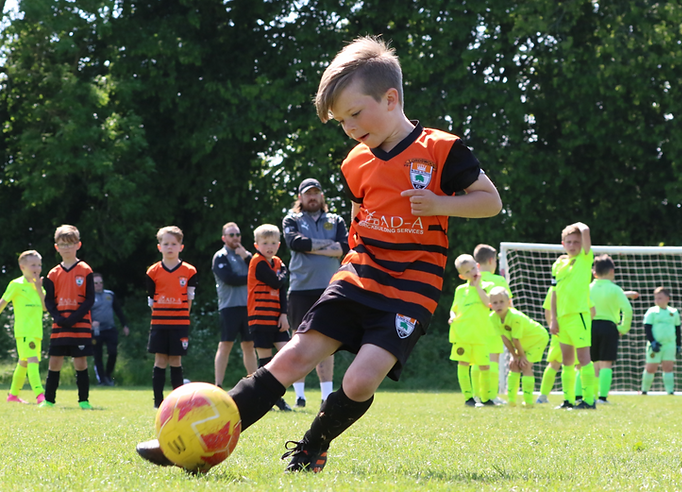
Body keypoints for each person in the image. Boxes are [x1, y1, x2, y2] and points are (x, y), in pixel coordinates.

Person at [137, 36, 502, 473]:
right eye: (340, 121)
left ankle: (312, 445)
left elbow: (490, 200)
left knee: (360, 379)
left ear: (390, 99)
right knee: (291, 358)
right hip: (360, 275)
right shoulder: (356, 161)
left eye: (354, 114)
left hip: (411, 288)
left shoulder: (443, 149)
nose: (348, 127)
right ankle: (187, 440)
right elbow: (357, 218)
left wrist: (442, 204)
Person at [282, 177, 349, 408]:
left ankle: (326, 395)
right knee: (297, 340)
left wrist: (312, 246)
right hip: (300, 288)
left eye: (316, 193)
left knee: (327, 342)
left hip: (329, 287)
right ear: (300, 197)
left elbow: (345, 247)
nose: (312, 197)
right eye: (308, 193)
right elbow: (295, 243)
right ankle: (299, 396)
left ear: (322, 196)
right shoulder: (292, 218)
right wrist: (327, 247)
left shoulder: (336, 219)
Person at [0, 250, 47, 404]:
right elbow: (1, 304)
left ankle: (13, 395)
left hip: (37, 332)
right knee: (33, 360)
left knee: (23, 362)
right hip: (24, 331)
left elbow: (45, 308)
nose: (37, 268)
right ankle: (40, 395)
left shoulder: (39, 286)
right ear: (22, 267)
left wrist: (38, 288)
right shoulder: (16, 285)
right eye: (33, 265)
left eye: (39, 265)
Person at [40, 224, 95, 409]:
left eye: (70, 243)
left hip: (80, 325)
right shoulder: (53, 273)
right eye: (62, 244)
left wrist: (74, 318)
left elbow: (89, 299)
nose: (67, 248)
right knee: (55, 362)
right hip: (60, 325)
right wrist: (58, 317)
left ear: (78, 245)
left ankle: (84, 400)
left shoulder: (86, 270)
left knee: (80, 363)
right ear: (57, 247)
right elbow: (49, 301)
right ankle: (48, 400)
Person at [145, 226, 198, 408]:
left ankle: (177, 402)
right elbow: (151, 301)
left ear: (180, 247)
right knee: (160, 359)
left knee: (176, 360)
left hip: (180, 323)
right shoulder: (152, 272)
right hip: (160, 323)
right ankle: (158, 402)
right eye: (165, 243)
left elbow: (189, 299)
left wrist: (182, 316)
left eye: (174, 244)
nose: (170, 247)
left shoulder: (190, 271)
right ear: (159, 246)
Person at [548, 222, 596, 410]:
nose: (573, 245)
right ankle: (568, 400)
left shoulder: (585, 258)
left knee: (584, 359)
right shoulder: (558, 264)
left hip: (579, 316)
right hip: (562, 318)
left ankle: (589, 400)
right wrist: (553, 318)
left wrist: (577, 225)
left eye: (576, 241)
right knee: (566, 361)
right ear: (563, 244)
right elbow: (554, 293)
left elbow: (585, 230)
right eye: (569, 241)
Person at [247, 224, 293, 412]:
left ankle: (272, 397)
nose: (269, 246)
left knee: (287, 355)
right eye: (265, 243)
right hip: (260, 318)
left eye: (273, 243)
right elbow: (277, 280)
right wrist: (283, 273)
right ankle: (265, 399)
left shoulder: (278, 262)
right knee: (265, 361)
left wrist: (284, 314)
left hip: (276, 319)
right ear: (256, 244)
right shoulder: (257, 262)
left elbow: (282, 289)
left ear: (279, 244)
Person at [212, 222, 257, 388]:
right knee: (225, 345)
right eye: (231, 235)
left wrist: (246, 256)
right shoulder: (220, 256)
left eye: (237, 234)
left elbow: (260, 271)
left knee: (249, 346)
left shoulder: (247, 255)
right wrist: (249, 277)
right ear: (224, 238)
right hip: (229, 307)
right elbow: (229, 279)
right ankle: (218, 385)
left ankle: (254, 383)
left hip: (248, 306)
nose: (235, 238)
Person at [448, 254, 496, 407]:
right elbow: (454, 309)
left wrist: (477, 286)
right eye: (467, 272)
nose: (472, 273)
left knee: (485, 366)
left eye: (473, 268)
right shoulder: (460, 290)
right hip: (462, 334)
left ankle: (486, 398)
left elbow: (488, 303)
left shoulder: (487, 286)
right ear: (462, 276)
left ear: (478, 266)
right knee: (463, 363)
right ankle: (469, 398)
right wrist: (452, 317)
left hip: (480, 335)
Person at [488, 287, 549, 406]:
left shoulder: (515, 317)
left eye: (502, 302)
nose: (498, 305)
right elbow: (504, 338)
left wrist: (520, 356)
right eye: (495, 303)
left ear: (509, 303)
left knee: (525, 365)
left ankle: (528, 401)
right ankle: (512, 401)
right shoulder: (493, 318)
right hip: (522, 342)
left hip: (537, 339)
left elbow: (515, 340)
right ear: (490, 305)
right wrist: (514, 356)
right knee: (513, 365)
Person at [589, 254, 637, 403]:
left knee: (589, 364)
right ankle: (602, 397)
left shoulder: (587, 288)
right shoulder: (616, 290)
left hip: (589, 327)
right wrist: (623, 328)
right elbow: (627, 310)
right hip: (609, 327)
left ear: (594, 272)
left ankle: (586, 396)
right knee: (605, 364)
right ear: (612, 271)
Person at [474, 243, 510, 404]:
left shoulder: (473, 279)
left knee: (476, 360)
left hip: (475, 325)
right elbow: (508, 304)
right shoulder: (498, 280)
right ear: (491, 260)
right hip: (493, 325)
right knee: (493, 360)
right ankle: (491, 396)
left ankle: (476, 395)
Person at [641, 286, 682, 395]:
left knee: (668, 367)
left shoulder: (674, 312)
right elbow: (647, 328)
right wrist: (652, 342)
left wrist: (678, 345)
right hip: (655, 345)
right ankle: (644, 391)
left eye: (660, 298)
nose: (657, 300)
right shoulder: (651, 312)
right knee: (651, 368)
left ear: (667, 299)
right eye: (656, 298)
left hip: (669, 345)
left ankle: (670, 392)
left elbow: (678, 329)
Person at [91, 272, 130, 387]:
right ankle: (102, 380)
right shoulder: (89, 297)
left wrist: (125, 325)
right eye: (95, 283)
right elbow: (84, 313)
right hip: (96, 330)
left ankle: (108, 375)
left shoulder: (110, 295)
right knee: (97, 355)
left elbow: (118, 311)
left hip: (110, 329)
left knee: (113, 353)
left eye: (100, 282)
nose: (98, 285)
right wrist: (91, 322)